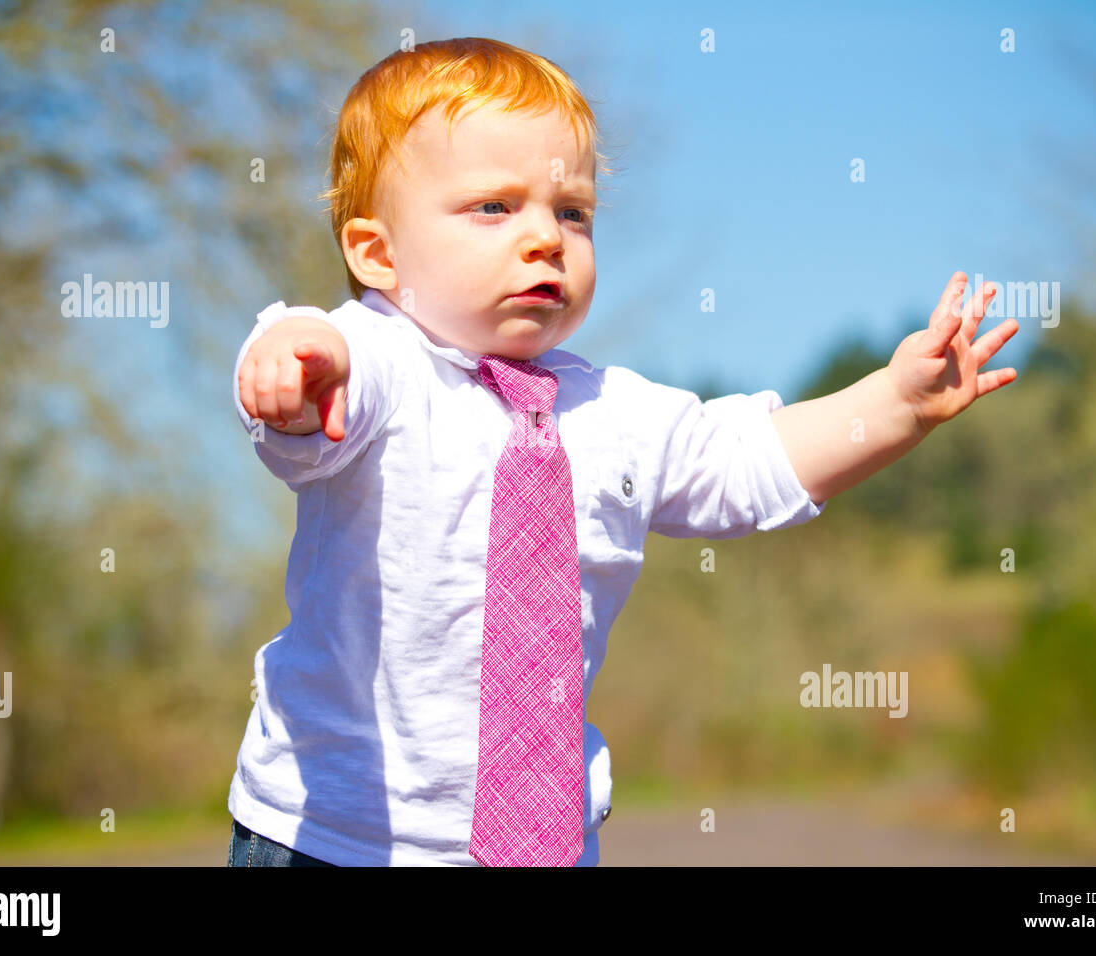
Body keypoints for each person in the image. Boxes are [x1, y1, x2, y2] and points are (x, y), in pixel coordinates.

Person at [227, 37, 1018, 867]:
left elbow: (746, 461)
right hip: (336, 836)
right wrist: (295, 360)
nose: (545, 238)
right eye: (494, 207)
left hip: (547, 841)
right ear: (379, 254)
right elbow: (326, 361)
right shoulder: (383, 365)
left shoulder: (614, 411)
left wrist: (893, 405)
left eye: (572, 212)